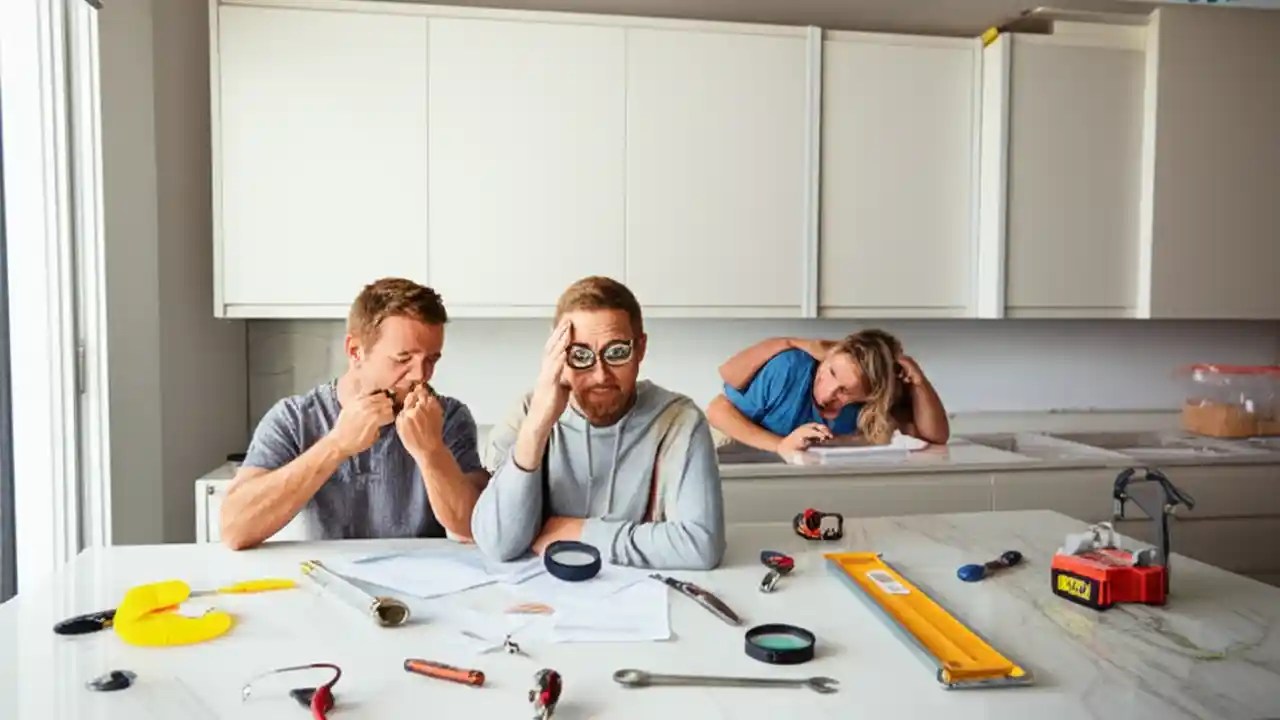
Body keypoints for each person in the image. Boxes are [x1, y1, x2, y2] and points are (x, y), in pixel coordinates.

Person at [472, 276, 725, 570]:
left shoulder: (678, 422)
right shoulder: (529, 413)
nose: (601, 375)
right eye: (581, 356)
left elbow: (700, 545)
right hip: (542, 601)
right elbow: (497, 543)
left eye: (617, 352)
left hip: (646, 601)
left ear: (640, 348)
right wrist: (538, 427)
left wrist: (580, 532)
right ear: (557, 354)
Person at [220, 278, 487, 550]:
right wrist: (336, 445)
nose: (421, 375)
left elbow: (477, 529)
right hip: (326, 582)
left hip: (422, 585)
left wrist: (432, 452)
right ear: (355, 351)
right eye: (403, 359)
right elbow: (234, 529)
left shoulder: (448, 417)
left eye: (431, 359)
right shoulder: (295, 418)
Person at [706, 330, 949, 457]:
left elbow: (935, 436)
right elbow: (718, 410)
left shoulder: (870, 409)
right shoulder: (789, 368)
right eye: (830, 372)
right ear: (827, 355)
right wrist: (782, 446)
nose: (827, 394)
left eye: (845, 391)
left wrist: (918, 381)